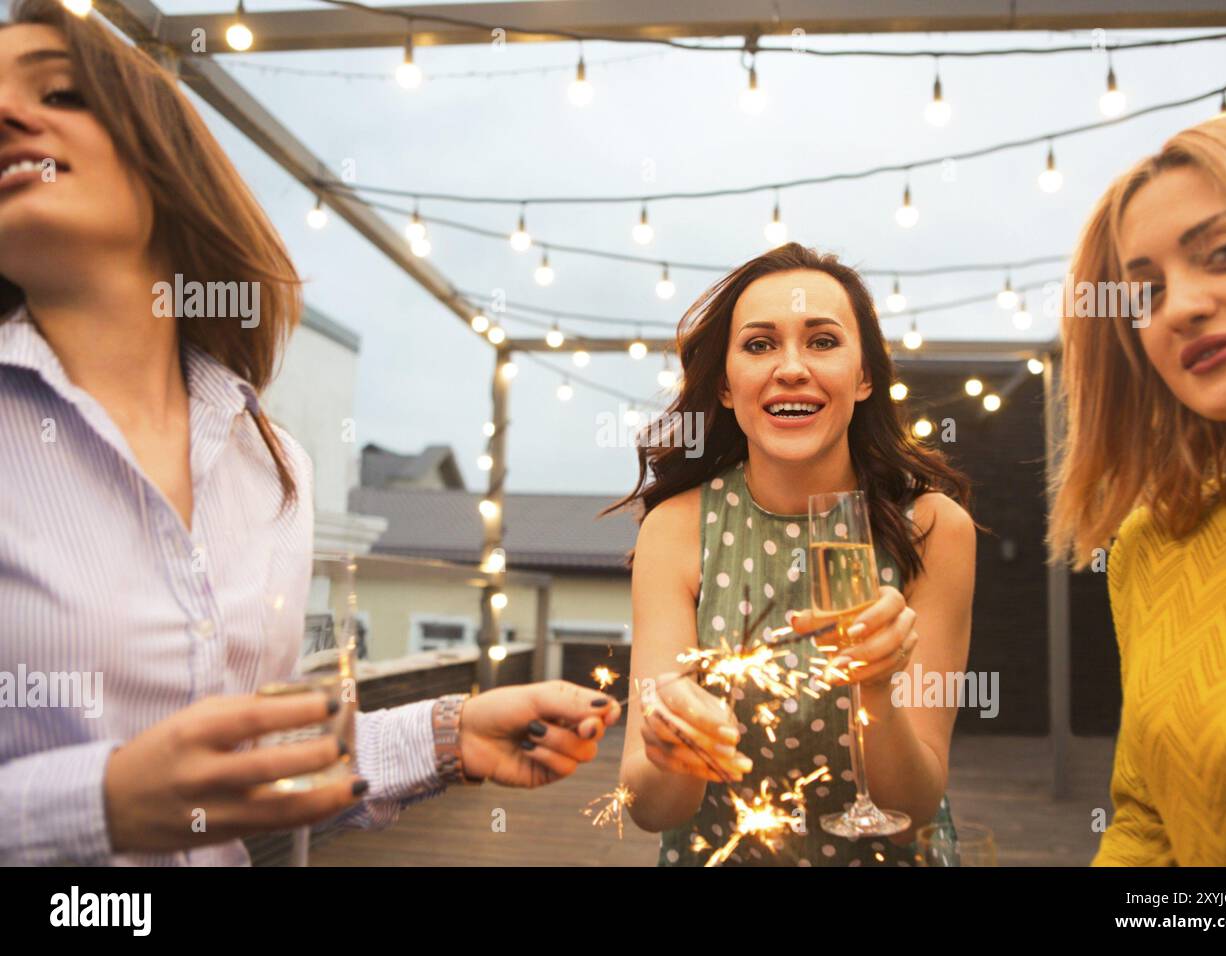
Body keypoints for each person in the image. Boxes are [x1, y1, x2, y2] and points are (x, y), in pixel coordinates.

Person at [0, 0, 619, 866]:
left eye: (59, 91)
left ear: (165, 162)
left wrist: (450, 734)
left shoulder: (270, 461)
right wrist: (97, 805)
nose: (7, 110)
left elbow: (255, 774)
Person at [609, 242, 976, 865]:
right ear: (726, 387)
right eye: (759, 345)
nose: (791, 368)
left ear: (865, 377)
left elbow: (912, 808)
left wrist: (877, 690)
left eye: (823, 341)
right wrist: (677, 749)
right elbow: (649, 808)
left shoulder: (935, 526)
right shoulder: (674, 529)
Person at [1047, 113, 1226, 865]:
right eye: (1145, 293)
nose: (1180, 308)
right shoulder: (1156, 544)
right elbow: (1147, 823)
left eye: (1225, 253)